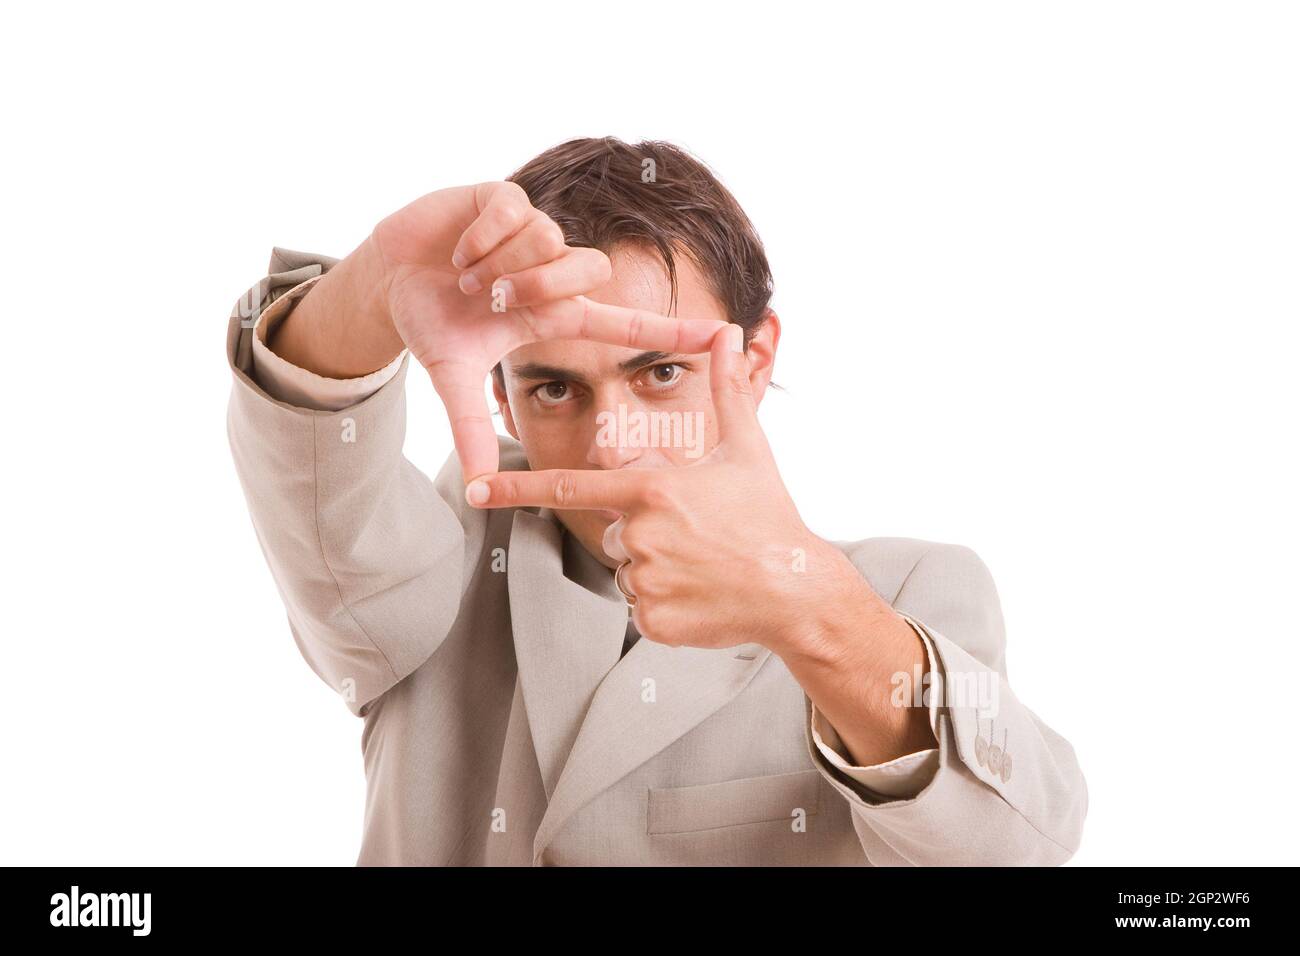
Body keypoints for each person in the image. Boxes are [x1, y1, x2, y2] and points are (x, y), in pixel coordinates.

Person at [226, 137, 1087, 865]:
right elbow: (314, 464)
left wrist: (805, 606)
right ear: (501, 397)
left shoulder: (909, 592)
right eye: (555, 389)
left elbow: (1021, 840)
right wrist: (375, 283)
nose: (613, 443)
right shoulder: (440, 564)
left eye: (661, 372)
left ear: (754, 361)